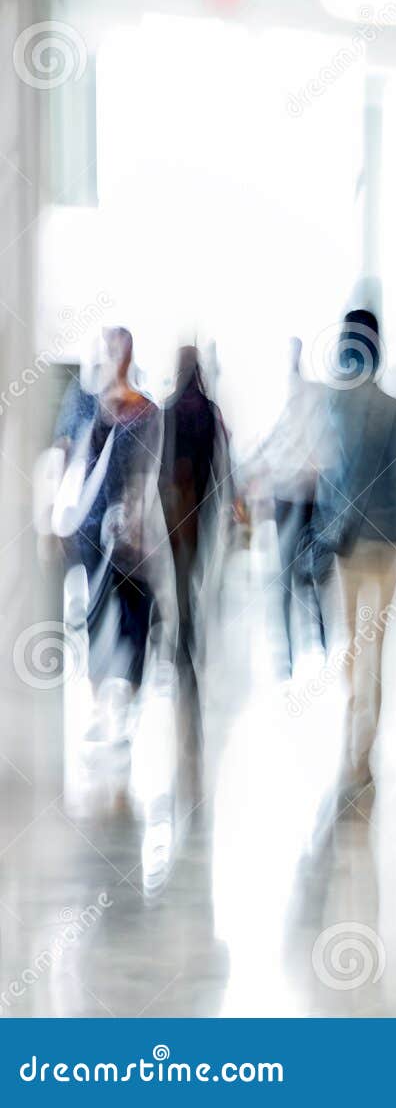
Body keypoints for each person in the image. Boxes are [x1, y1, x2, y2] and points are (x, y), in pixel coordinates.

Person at [53, 327, 168, 802]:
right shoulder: (84, 404)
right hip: (91, 529)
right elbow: (65, 456)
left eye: (121, 347)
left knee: (135, 619)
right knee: (93, 615)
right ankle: (103, 702)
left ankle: (130, 699)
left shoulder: (146, 409)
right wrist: (60, 515)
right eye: (108, 348)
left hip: (132, 537)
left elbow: (152, 473)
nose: (114, 356)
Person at [312, 310, 396, 804]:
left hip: (348, 541)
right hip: (388, 539)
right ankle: (365, 745)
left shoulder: (331, 402)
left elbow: (325, 476)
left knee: (352, 641)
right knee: (377, 643)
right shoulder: (395, 408)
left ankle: (353, 724)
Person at [159, 345, 231, 780]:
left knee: (181, 575)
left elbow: (162, 463)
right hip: (199, 508)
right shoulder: (209, 411)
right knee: (191, 573)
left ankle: (183, 637)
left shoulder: (171, 410)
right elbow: (220, 465)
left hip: (174, 509)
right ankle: (187, 633)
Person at [255, 337, 330, 676]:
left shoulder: (312, 395)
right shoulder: (295, 397)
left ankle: (314, 645)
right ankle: (294, 651)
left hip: (302, 494)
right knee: (294, 574)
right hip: (294, 493)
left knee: (300, 574)